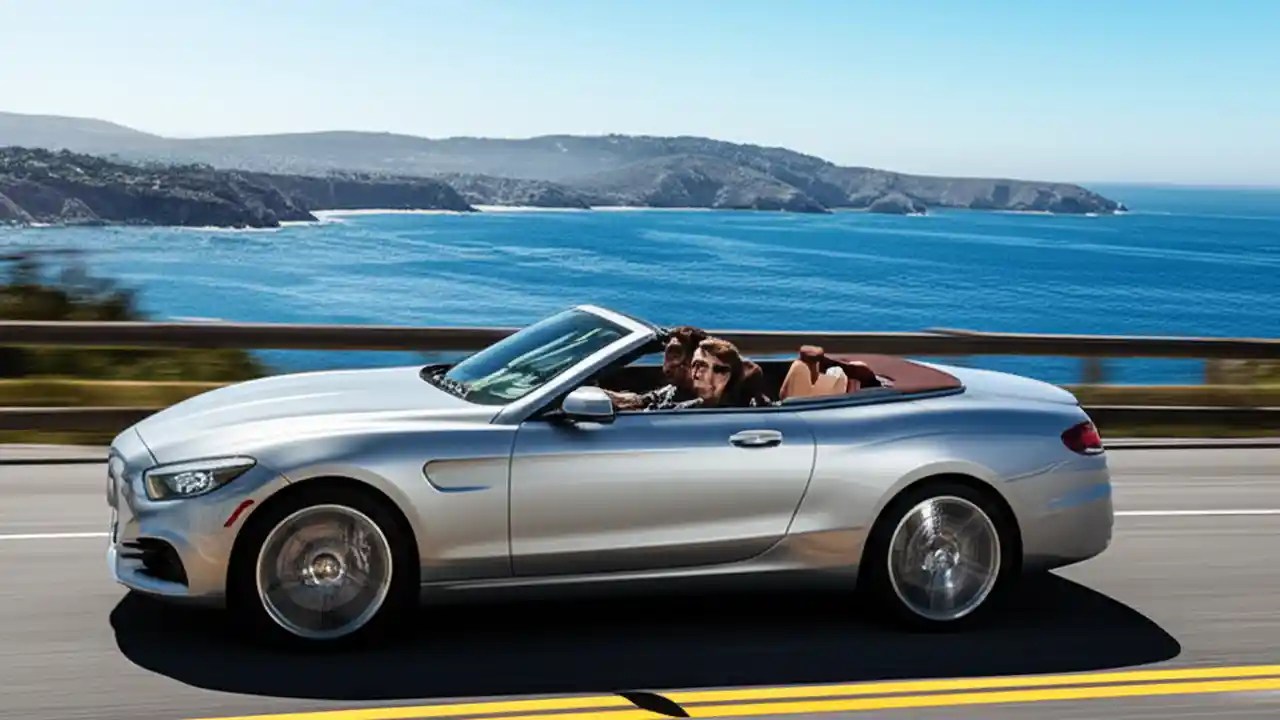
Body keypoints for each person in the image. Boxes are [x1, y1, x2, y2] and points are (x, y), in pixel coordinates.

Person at [604, 325, 708, 410]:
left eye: (675, 356)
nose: (667, 364)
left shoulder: (700, 403)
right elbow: (641, 400)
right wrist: (605, 395)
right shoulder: (674, 389)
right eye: (667, 355)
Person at [643, 337, 744, 410]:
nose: (697, 374)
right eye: (695, 365)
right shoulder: (684, 406)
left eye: (719, 370)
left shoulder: (738, 411)